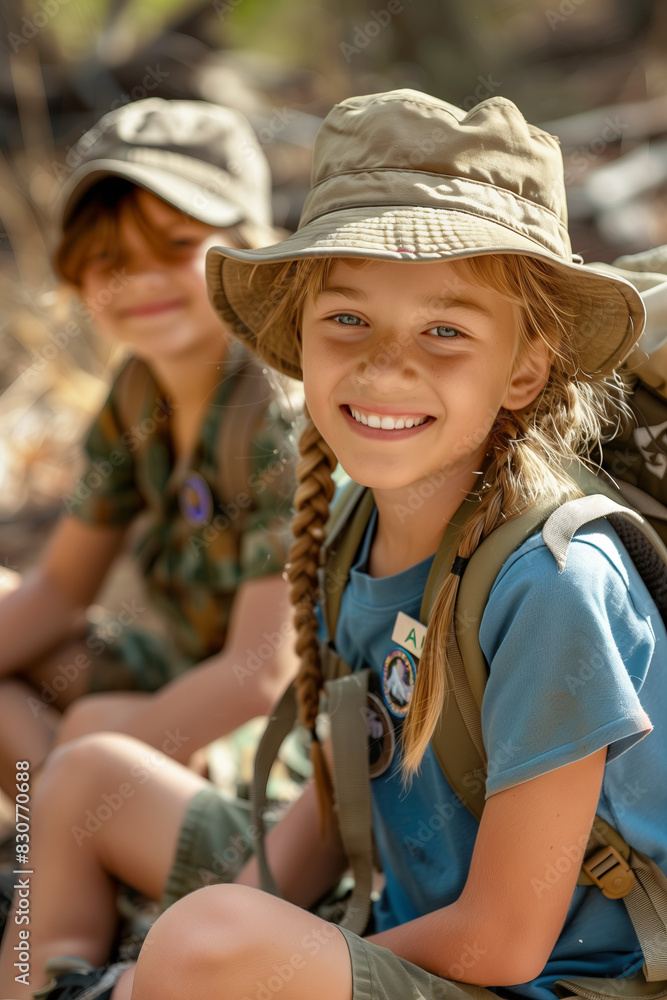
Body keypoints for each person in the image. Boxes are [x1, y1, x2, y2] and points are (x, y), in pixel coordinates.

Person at [1, 89, 665, 1000]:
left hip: (541, 981)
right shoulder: (352, 526)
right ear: (299, 344)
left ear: (524, 367)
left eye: (444, 331)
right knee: (81, 780)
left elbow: (506, 942)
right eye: (347, 319)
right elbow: (341, 790)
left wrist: (225, 951)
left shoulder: (551, 585)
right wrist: (229, 926)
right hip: (391, 912)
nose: (385, 365)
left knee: (208, 939)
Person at [0, 98, 298, 795]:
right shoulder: (137, 395)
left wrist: (91, 762)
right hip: (184, 679)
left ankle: (70, 826)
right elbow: (58, 592)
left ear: (249, 248)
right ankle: (62, 830)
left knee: (90, 726)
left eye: (174, 246)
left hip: (289, 740)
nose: (140, 279)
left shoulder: (278, 416)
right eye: (108, 259)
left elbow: (260, 678)